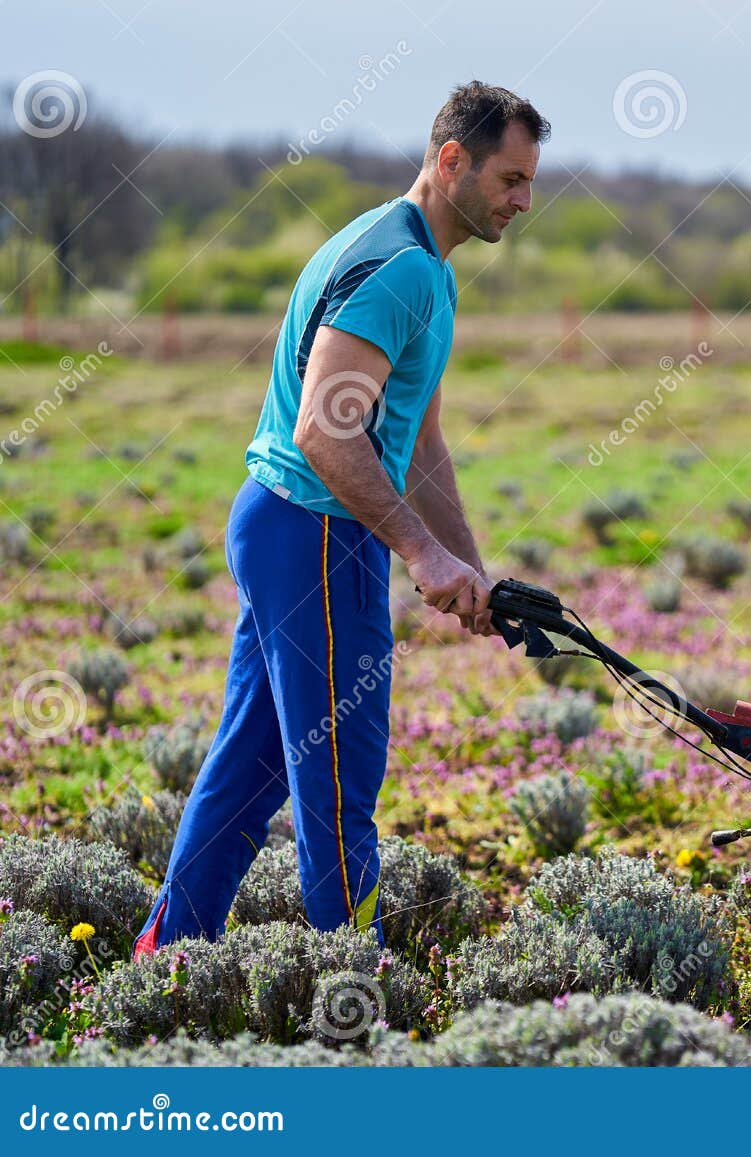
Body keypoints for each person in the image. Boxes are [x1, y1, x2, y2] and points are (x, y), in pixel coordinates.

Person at [133, 81, 548, 955]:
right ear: (450, 162)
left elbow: (420, 436)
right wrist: (419, 554)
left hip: (294, 530)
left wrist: (469, 566)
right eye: (511, 178)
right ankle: (359, 999)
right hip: (314, 534)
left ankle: (164, 960)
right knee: (338, 785)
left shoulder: (425, 268)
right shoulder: (394, 267)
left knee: (248, 774)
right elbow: (326, 431)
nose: (524, 201)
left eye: (529, 181)